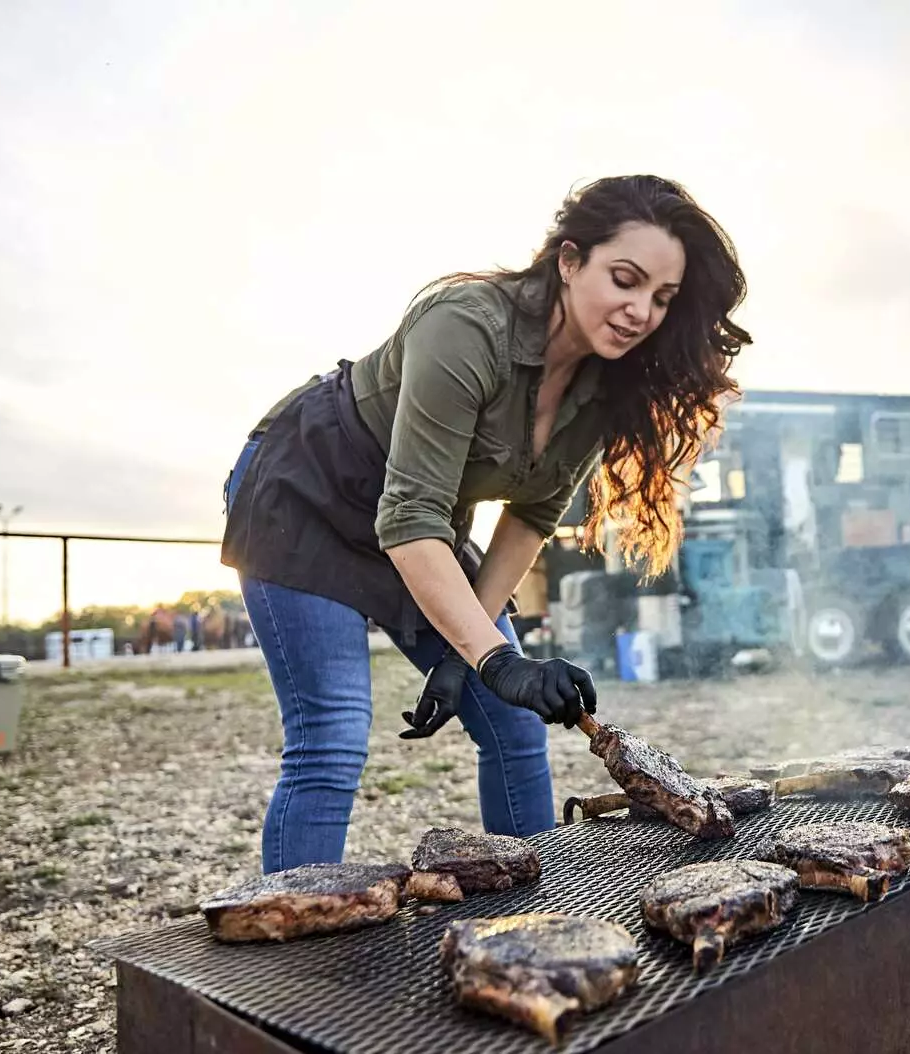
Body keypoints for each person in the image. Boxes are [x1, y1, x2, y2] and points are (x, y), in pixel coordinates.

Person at [221, 175, 751, 873]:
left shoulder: (606, 386)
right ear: (569, 261)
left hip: (418, 520)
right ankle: (285, 937)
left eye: (662, 298)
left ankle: (537, 911)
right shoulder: (465, 324)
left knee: (512, 722)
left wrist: (461, 654)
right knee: (333, 735)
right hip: (309, 492)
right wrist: (496, 658)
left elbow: (530, 516)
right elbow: (409, 516)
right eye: (625, 279)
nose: (640, 311)